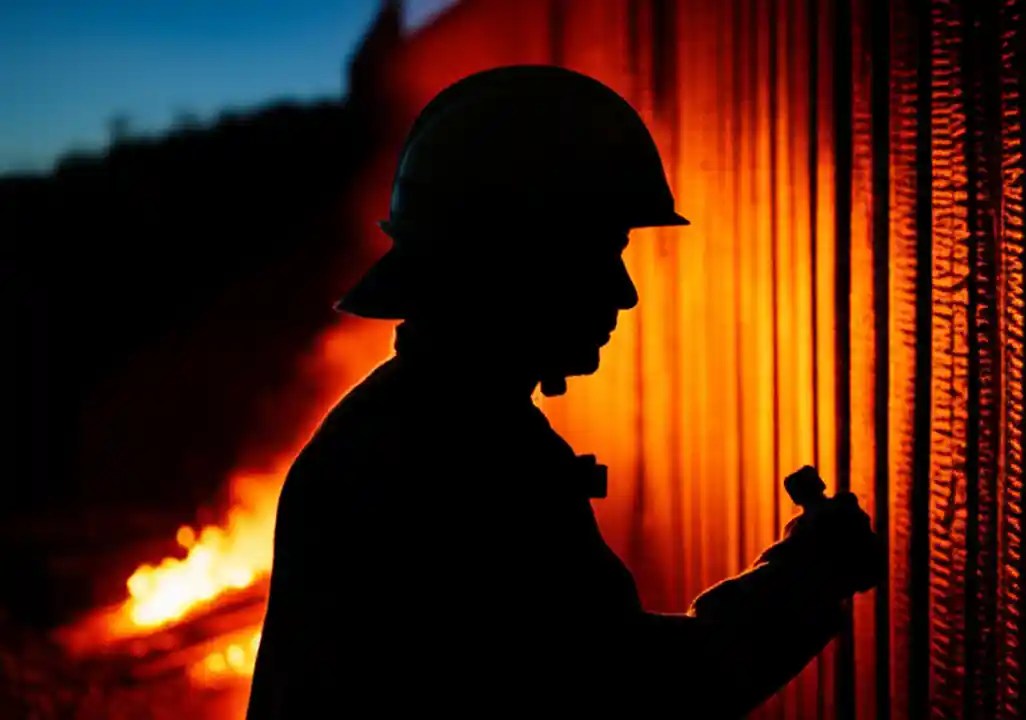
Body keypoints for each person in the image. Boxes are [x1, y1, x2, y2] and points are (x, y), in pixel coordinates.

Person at [245, 65, 884, 720]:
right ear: (518, 260)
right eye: (602, 252)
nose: (624, 292)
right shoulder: (458, 461)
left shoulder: (415, 427)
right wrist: (803, 582)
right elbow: (631, 695)